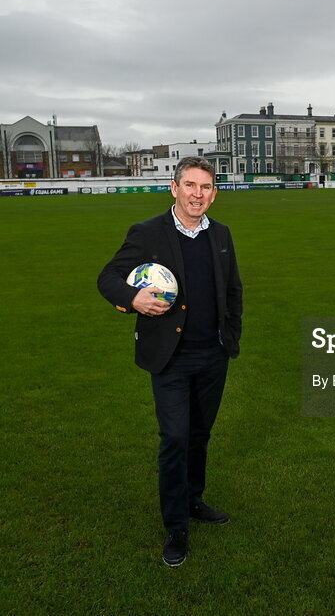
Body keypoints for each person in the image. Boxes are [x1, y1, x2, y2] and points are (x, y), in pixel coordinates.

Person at [97, 156, 242, 567]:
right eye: (190, 185)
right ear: (174, 188)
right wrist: (132, 299)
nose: (198, 194)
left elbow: (233, 290)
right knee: (175, 438)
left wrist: (230, 337)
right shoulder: (147, 233)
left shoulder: (221, 234)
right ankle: (176, 527)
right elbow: (108, 278)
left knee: (199, 435)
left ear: (214, 193)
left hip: (212, 354)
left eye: (206, 187)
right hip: (171, 357)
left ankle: (194, 500)